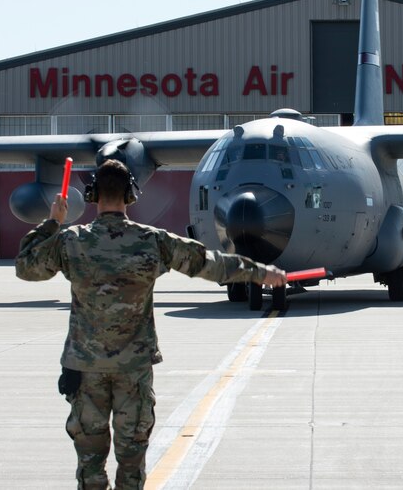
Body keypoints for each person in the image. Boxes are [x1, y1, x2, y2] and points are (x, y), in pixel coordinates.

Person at [15, 159, 287, 490]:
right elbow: (209, 263)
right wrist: (261, 272)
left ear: (93, 195)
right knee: (131, 465)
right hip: (134, 369)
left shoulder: (71, 241)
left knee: (90, 465)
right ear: (131, 195)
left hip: (85, 370)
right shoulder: (152, 241)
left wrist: (52, 223)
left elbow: (26, 267)